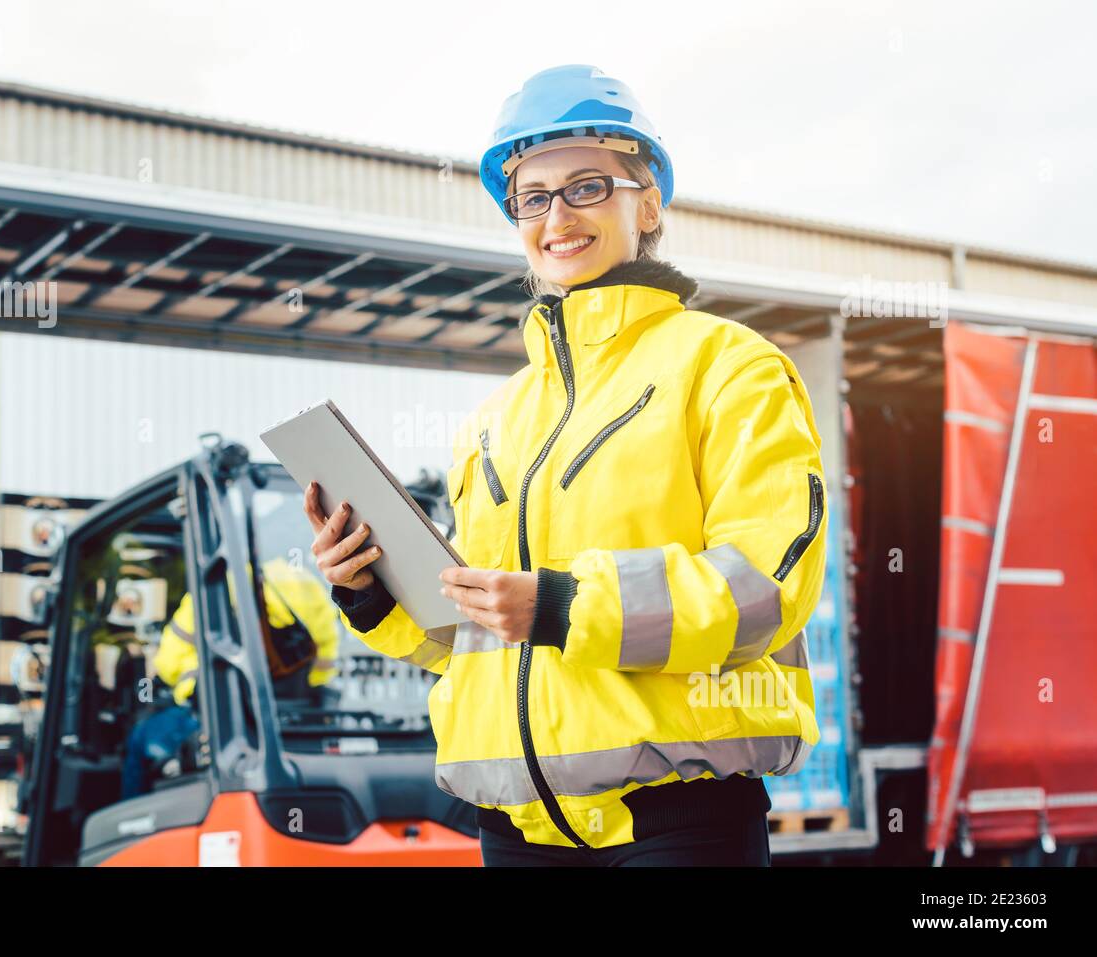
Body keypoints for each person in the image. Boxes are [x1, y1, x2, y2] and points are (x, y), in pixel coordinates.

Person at [304, 64, 829, 867]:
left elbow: (765, 585)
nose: (557, 216)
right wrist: (372, 590)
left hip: (676, 820)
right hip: (517, 834)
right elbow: (469, 635)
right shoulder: (494, 422)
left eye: (587, 186)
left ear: (648, 202)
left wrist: (563, 606)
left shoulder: (729, 367)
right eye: (533, 197)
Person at [120, 556, 341, 798]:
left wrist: (190, 682)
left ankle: (135, 825)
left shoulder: (218, 583)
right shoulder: (308, 585)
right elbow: (324, 670)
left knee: (141, 737)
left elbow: (168, 663)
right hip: (298, 721)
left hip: (220, 722)